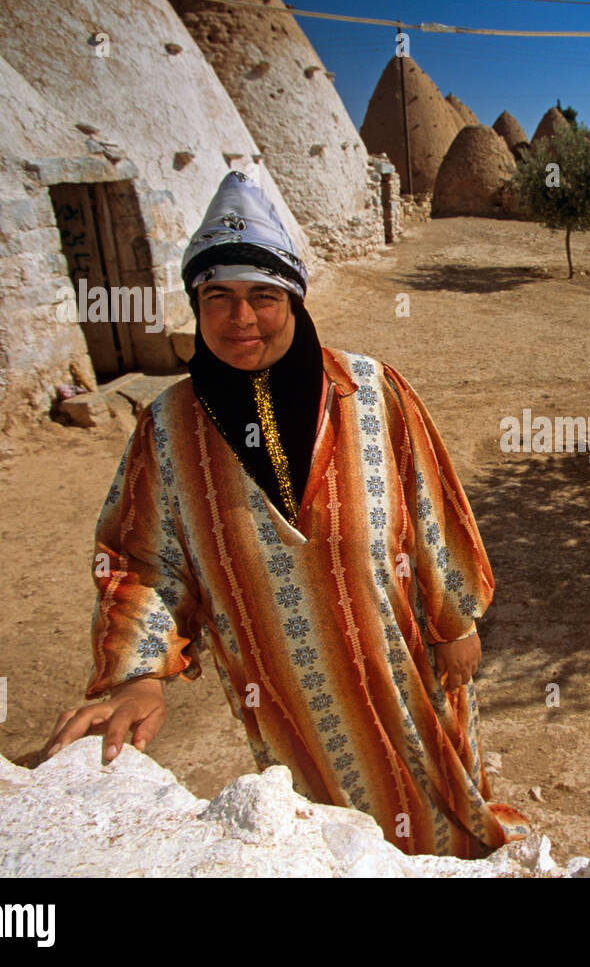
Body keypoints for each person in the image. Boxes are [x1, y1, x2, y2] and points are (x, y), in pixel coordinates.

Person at [46, 170, 529, 859]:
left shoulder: (369, 389)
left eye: (262, 297)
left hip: (406, 664)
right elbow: (140, 556)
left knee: (444, 810)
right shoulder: (168, 428)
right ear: (197, 305)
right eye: (218, 298)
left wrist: (454, 617)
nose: (241, 319)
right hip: (285, 698)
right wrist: (138, 673)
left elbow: (431, 501)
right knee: (328, 840)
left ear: (294, 303)